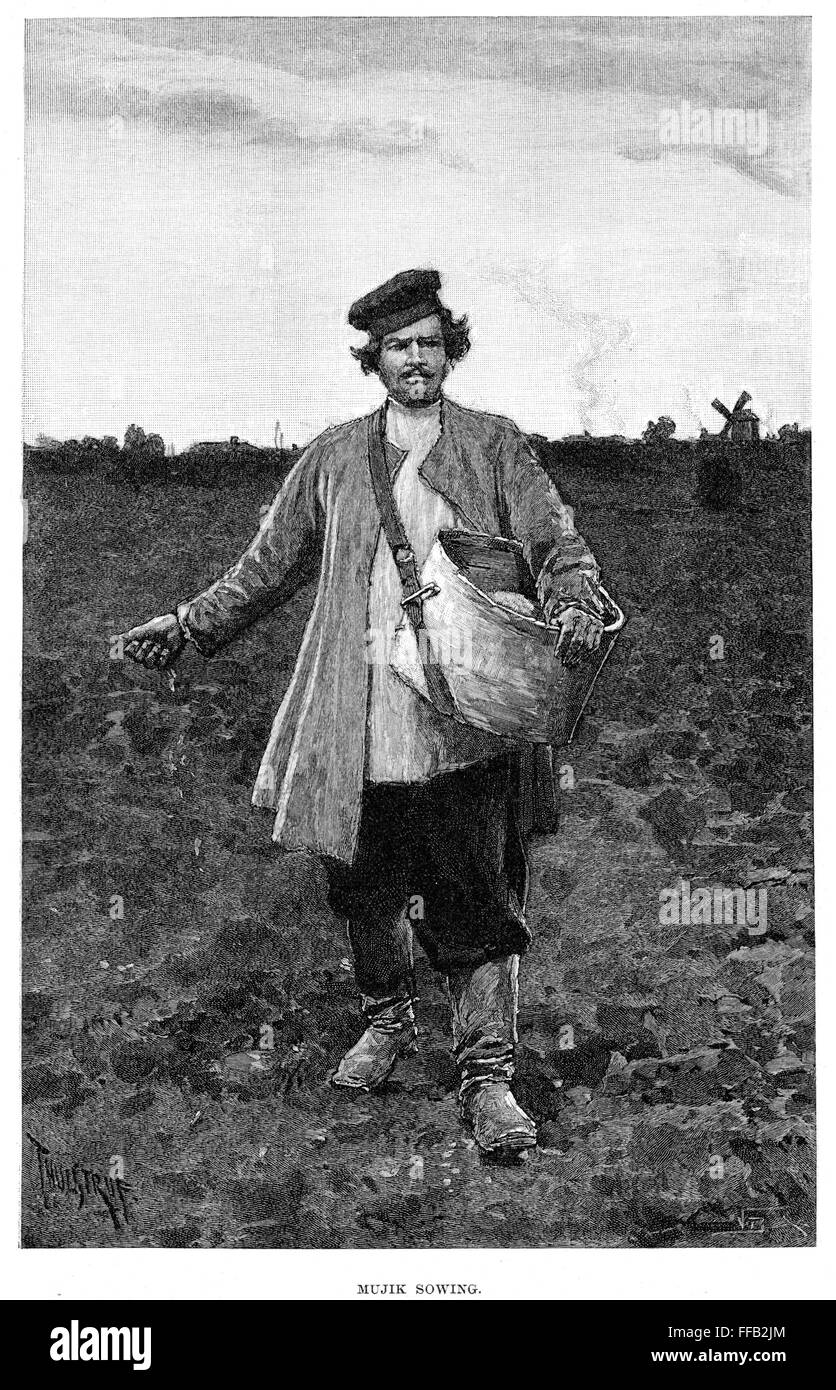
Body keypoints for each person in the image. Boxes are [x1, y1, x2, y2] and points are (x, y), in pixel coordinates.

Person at [120, 268, 609, 1158]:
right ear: (373, 359)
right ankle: (386, 1021)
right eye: (398, 346)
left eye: (430, 344)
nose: (415, 360)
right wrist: (189, 624)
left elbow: (555, 540)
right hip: (361, 713)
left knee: (475, 892)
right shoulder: (334, 456)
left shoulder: (496, 446)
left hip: (466, 715)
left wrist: (573, 598)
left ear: (450, 351)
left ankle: (488, 1076)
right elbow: (267, 566)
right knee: (366, 885)